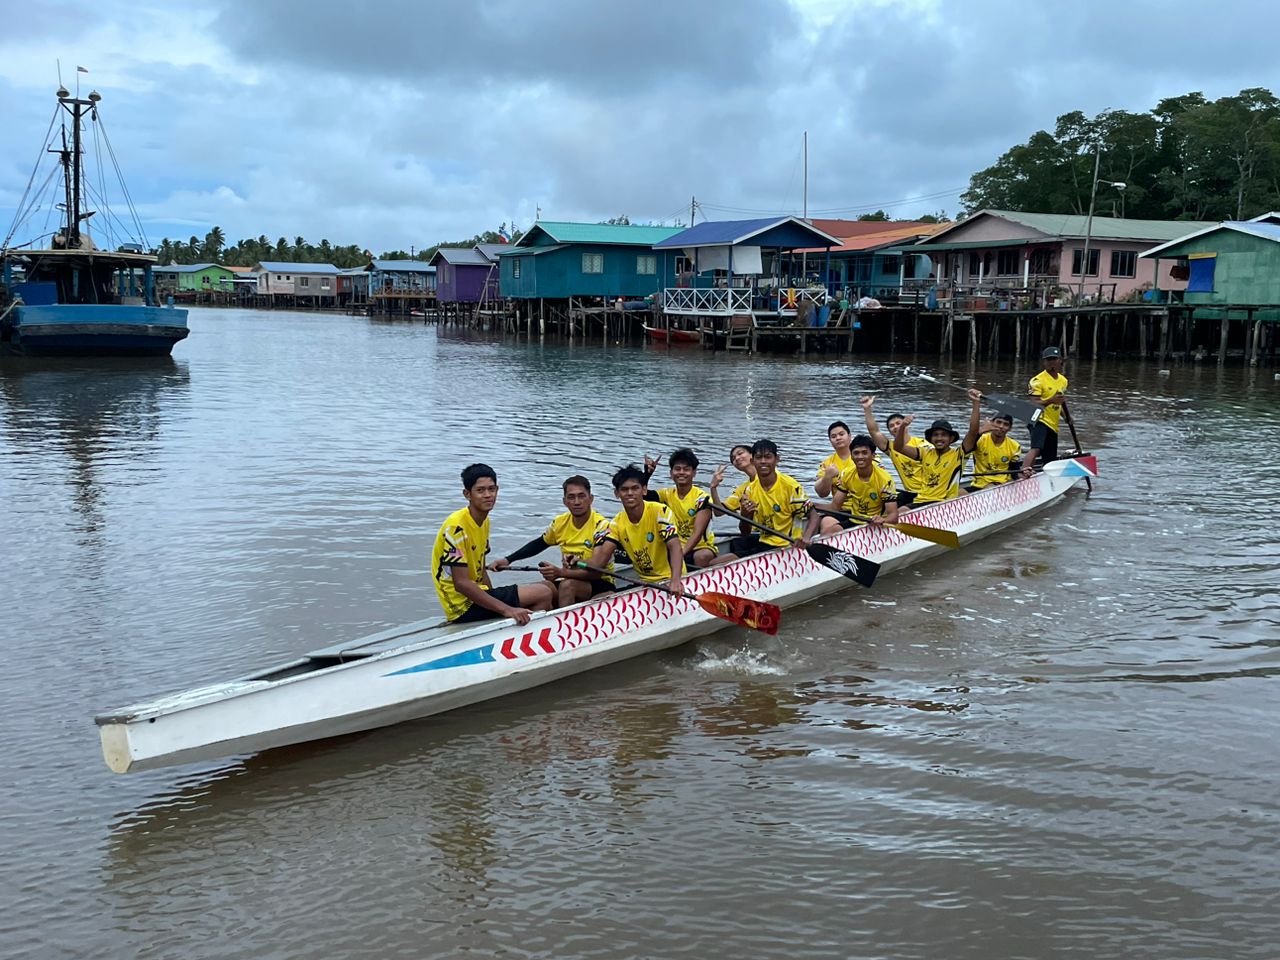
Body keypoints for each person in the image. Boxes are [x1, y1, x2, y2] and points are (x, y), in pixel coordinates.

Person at [431, 464, 556, 625]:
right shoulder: (456, 527)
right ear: (467, 494)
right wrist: (506, 610)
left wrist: (493, 597)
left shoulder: (484, 521)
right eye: (480, 490)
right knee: (543, 593)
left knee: (550, 586)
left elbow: (480, 569)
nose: (488, 495)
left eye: (492, 489)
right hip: (460, 605)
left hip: (476, 595)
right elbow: (461, 583)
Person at [488, 475, 614, 607]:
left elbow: (596, 571)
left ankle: (565, 624)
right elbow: (539, 544)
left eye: (581, 496)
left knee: (567, 586)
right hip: (570, 577)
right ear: (564, 501)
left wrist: (560, 573)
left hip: (600, 582)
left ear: (591, 499)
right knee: (542, 589)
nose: (577, 502)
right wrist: (508, 560)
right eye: (571, 497)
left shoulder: (601, 526)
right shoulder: (560, 523)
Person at [708, 439, 820, 562]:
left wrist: (807, 538)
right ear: (753, 460)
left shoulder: (790, 486)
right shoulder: (749, 490)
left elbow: (814, 516)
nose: (763, 462)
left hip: (786, 545)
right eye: (759, 458)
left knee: (716, 562)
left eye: (767, 457)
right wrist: (746, 514)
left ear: (777, 459)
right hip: (762, 540)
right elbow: (744, 531)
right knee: (731, 548)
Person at [584, 465, 686, 592]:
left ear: (644, 490)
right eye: (624, 490)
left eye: (635, 488)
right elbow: (600, 561)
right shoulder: (616, 523)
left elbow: (675, 546)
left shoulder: (661, 511)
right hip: (645, 583)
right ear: (617, 494)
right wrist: (579, 562)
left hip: (672, 580)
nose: (630, 493)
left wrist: (675, 581)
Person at [890, 389, 983, 508]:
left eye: (943, 435)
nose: (939, 438)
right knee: (894, 512)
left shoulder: (959, 454)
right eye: (936, 435)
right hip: (921, 500)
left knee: (900, 512)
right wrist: (902, 426)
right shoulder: (925, 453)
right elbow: (898, 447)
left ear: (951, 439)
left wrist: (976, 403)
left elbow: (973, 431)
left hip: (943, 504)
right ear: (931, 439)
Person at [643, 447, 717, 568]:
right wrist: (647, 474)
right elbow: (642, 495)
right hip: (675, 544)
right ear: (671, 473)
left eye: (686, 469)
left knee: (702, 556)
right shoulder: (666, 494)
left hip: (700, 547)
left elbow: (697, 534)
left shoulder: (702, 498)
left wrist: (679, 555)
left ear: (694, 473)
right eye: (677, 469)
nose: (681, 472)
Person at [820, 433, 899, 533]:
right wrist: (812, 505)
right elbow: (835, 506)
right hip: (855, 520)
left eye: (865, 453)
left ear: (873, 455)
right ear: (851, 456)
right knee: (829, 531)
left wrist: (883, 520)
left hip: (875, 523)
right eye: (856, 453)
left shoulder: (885, 480)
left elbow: (893, 516)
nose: (860, 457)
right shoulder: (848, 475)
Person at [860, 396, 926, 507]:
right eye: (891, 426)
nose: (895, 427)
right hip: (910, 493)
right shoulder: (891, 447)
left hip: (928, 493)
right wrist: (867, 409)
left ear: (907, 425)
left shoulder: (922, 445)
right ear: (890, 431)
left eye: (898, 423)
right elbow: (874, 431)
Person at [1022, 346, 1069, 477]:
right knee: (1037, 448)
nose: (1051, 363)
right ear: (1044, 362)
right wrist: (1051, 400)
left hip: (1053, 423)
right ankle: (1023, 472)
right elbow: (1033, 402)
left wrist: (1066, 417)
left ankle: (1047, 477)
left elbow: (1060, 402)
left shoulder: (1063, 381)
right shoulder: (1037, 381)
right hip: (1038, 419)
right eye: (1048, 360)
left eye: (1054, 359)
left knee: (1050, 457)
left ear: (1060, 361)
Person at [966, 406, 1022, 491]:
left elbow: (1014, 471)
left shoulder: (1014, 446)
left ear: (1010, 428)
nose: (1001, 426)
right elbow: (966, 447)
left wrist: (1023, 473)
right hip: (978, 484)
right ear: (991, 423)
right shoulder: (980, 440)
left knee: (990, 487)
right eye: (998, 422)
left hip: (1000, 484)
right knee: (957, 493)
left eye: (1006, 424)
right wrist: (980, 431)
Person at [813, 420, 854, 497]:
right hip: (838, 507)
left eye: (841, 434)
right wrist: (827, 476)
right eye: (833, 436)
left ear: (849, 436)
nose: (838, 438)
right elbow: (822, 494)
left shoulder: (863, 456)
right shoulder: (827, 463)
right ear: (830, 441)